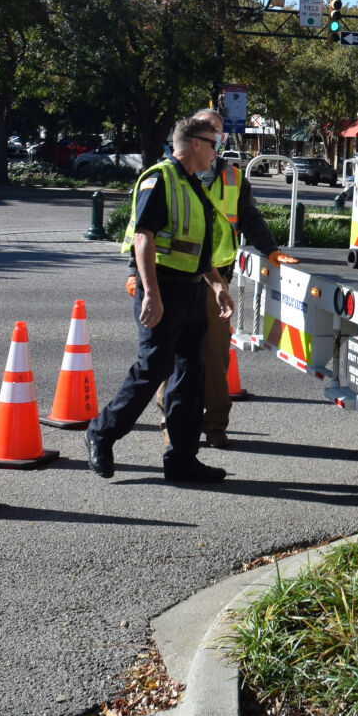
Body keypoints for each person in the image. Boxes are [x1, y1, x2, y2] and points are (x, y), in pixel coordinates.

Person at [86, 116, 236, 485]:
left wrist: (216, 285)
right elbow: (143, 238)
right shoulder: (160, 178)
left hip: (191, 289)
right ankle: (101, 433)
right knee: (154, 367)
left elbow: (197, 248)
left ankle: (182, 458)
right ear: (197, 143)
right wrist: (151, 293)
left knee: (191, 373)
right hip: (162, 287)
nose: (216, 154)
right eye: (214, 145)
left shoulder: (193, 186)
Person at [183, 110, 298, 451]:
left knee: (216, 358)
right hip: (175, 277)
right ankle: (174, 428)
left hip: (216, 279)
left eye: (218, 132)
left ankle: (215, 426)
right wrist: (135, 275)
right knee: (173, 358)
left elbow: (249, 217)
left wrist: (272, 250)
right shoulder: (172, 173)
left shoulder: (233, 178)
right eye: (207, 132)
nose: (214, 139)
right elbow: (141, 230)